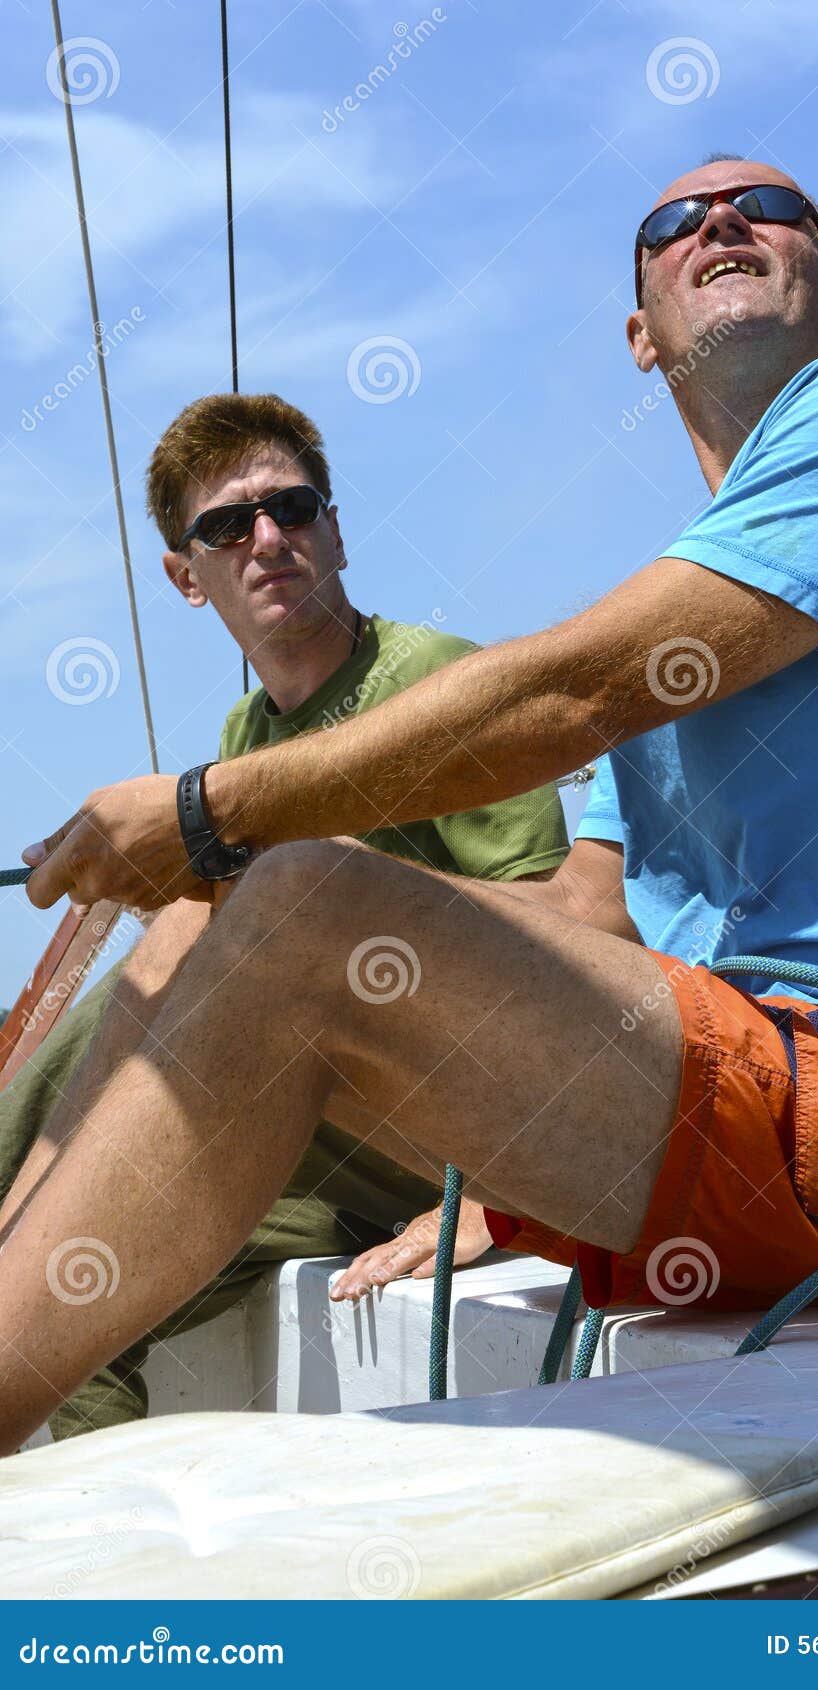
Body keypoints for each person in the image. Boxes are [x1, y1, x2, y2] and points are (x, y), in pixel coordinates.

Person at [4, 153, 818, 1456]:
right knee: (201, 927)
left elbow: (577, 688)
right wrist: (487, 1130)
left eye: (770, 208)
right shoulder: (692, 605)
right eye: (673, 224)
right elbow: (588, 913)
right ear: (641, 337)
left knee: (290, 903)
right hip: (761, 1114)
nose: (721, 221)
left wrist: (210, 813)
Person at [0, 391, 568, 1441]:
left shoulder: (434, 679)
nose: (267, 539)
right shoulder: (244, 736)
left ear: (335, 531)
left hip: (446, 1127)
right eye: (226, 525)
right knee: (78, 1306)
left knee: (185, 940)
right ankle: (118, 1545)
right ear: (187, 576)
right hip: (313, 1130)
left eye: (292, 509)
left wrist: (499, 1198)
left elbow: (563, 935)